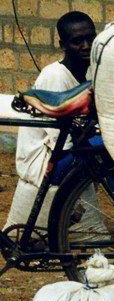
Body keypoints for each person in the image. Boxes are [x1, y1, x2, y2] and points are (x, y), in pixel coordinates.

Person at [5, 12, 96, 230]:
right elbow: (61, 143)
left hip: (66, 151)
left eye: (90, 38)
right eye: (77, 41)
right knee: (105, 156)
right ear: (62, 44)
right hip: (45, 161)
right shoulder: (54, 76)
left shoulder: (90, 71)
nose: (85, 46)